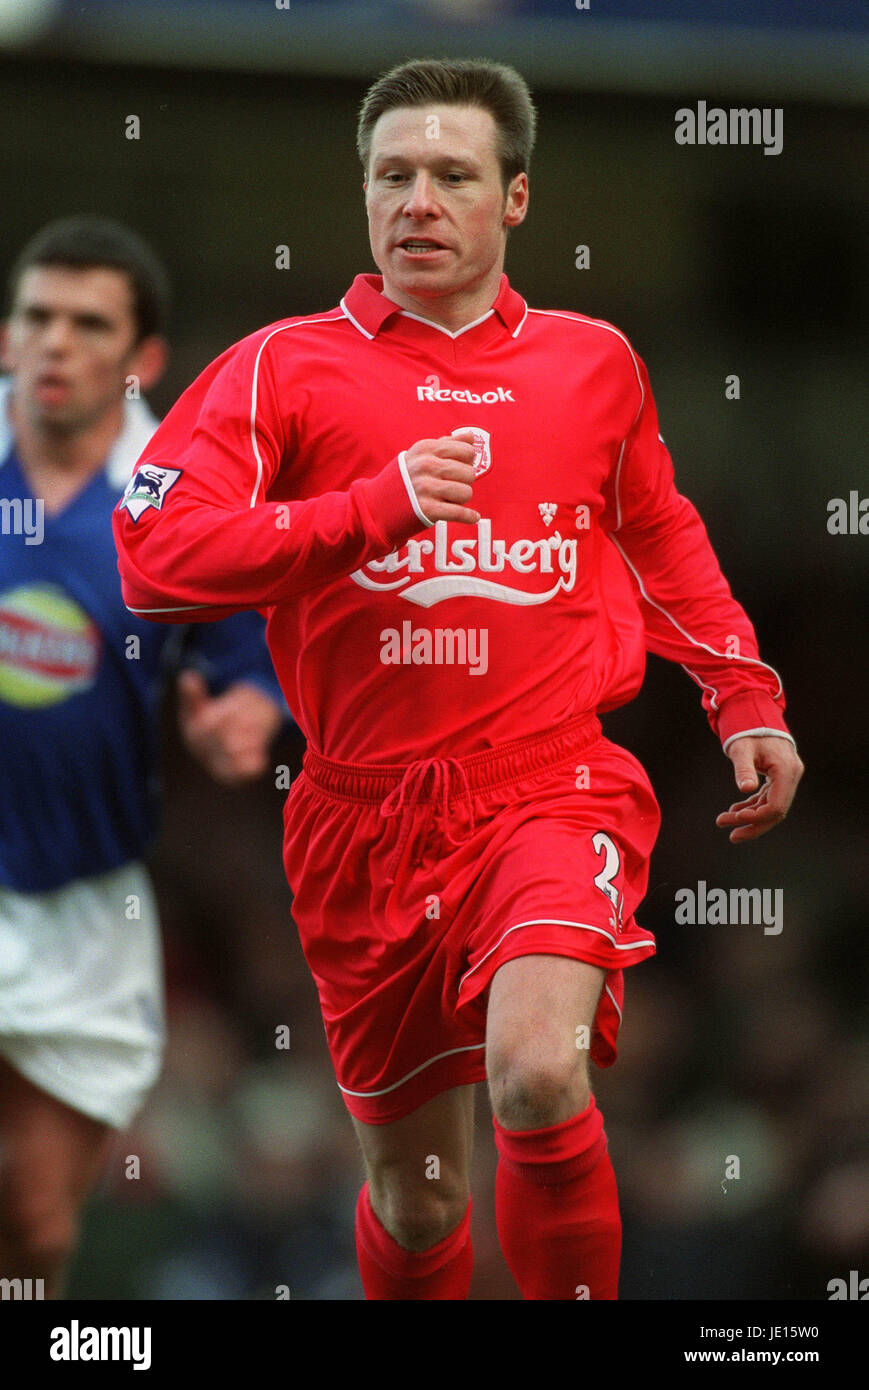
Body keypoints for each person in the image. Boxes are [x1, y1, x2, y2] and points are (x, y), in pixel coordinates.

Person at [113, 60, 804, 1301]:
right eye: (392, 176)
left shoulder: (592, 363)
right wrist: (368, 511)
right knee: (417, 1198)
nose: (417, 201)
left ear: (515, 199)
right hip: (358, 819)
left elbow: (656, 539)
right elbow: (156, 557)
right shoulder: (282, 369)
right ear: (364, 194)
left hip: (549, 783)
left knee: (537, 1072)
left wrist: (741, 694)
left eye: (451, 176)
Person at [0, 217, 287, 1297]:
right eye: (38, 317)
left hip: (82, 903)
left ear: (143, 360)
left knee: (30, 1222)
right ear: (6, 335)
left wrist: (249, 716)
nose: (56, 344)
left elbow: (255, 658)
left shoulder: (180, 502)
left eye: (89, 325)